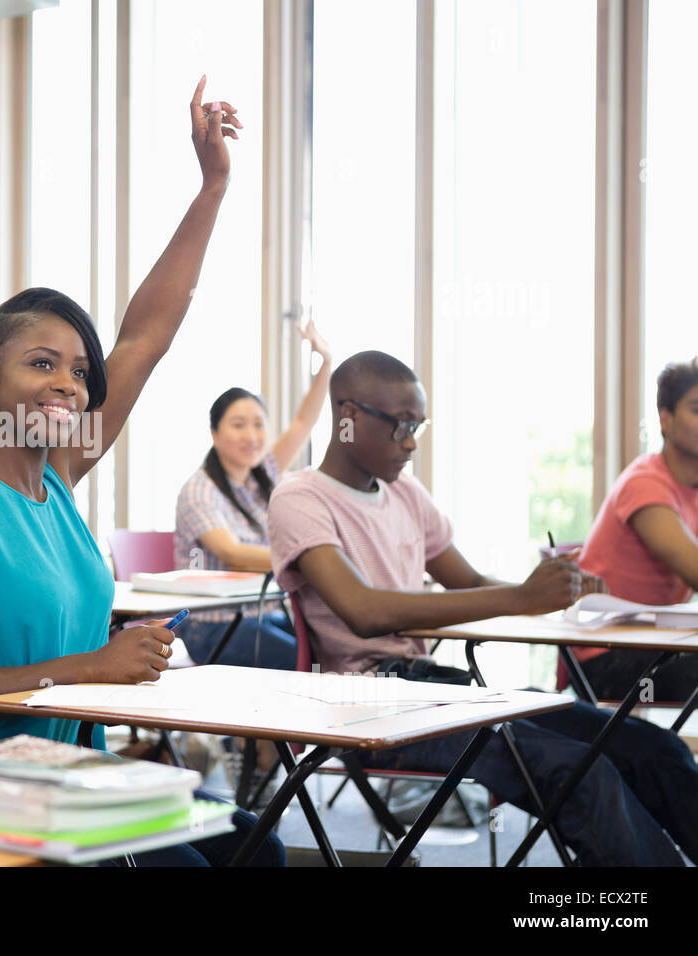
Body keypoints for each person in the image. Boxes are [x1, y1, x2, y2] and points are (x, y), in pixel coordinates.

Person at [0, 80, 281, 866]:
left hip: (67, 771)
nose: (70, 383)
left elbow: (146, 335)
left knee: (257, 849)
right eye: (43, 364)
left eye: (78, 370)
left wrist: (213, 187)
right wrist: (92, 667)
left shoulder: (59, 480)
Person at [266, 349, 698, 866]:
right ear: (350, 416)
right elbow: (363, 611)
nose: (410, 443)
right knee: (582, 769)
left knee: (652, 749)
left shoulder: (405, 495)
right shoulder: (300, 497)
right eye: (401, 426)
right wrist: (520, 598)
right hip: (362, 706)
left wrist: (554, 594)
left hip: (430, 687)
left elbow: (467, 580)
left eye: (418, 427)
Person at [172, 318, 333, 669]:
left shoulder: (264, 476)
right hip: (214, 625)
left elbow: (304, 423)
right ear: (214, 434)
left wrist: (326, 362)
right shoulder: (199, 487)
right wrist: (309, 562)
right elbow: (232, 553)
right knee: (312, 664)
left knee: (336, 649)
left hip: (265, 615)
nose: (251, 436)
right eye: (238, 425)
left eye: (259, 424)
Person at [577, 358, 698, 699]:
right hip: (604, 660)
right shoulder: (645, 482)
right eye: (697, 408)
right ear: (666, 418)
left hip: (654, 645)